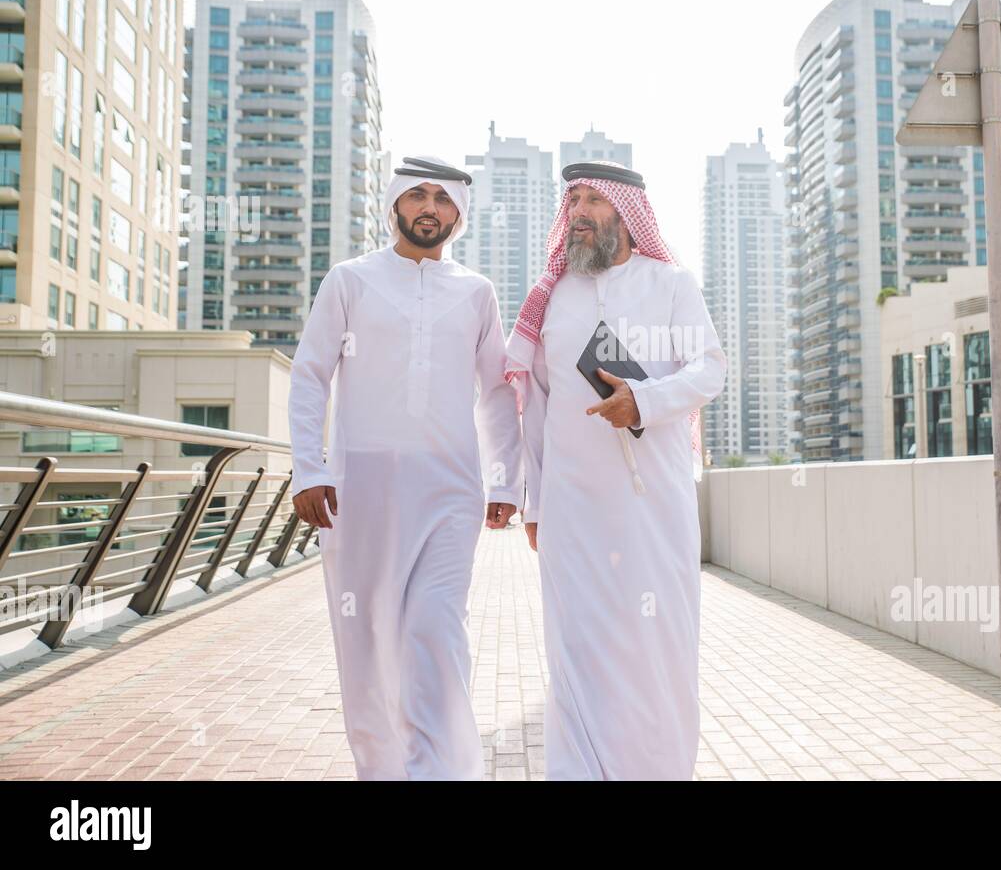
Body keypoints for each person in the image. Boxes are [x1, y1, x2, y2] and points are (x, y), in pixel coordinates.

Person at [288, 155, 523, 780]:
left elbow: (497, 392)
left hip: (451, 490)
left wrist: (504, 478)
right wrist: (309, 470)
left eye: (443, 199)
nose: (429, 208)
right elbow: (311, 375)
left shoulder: (476, 293)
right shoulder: (350, 280)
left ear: (459, 214)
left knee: (437, 632)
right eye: (417, 196)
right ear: (394, 205)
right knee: (365, 643)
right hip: (359, 489)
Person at [506, 161, 727, 779]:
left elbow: (710, 370)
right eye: (571, 198)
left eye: (592, 199)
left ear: (626, 212)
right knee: (575, 654)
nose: (577, 210)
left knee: (656, 651)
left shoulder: (670, 284)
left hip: (652, 504)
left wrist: (644, 400)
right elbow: (537, 409)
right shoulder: (551, 297)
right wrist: (537, 503)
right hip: (572, 508)